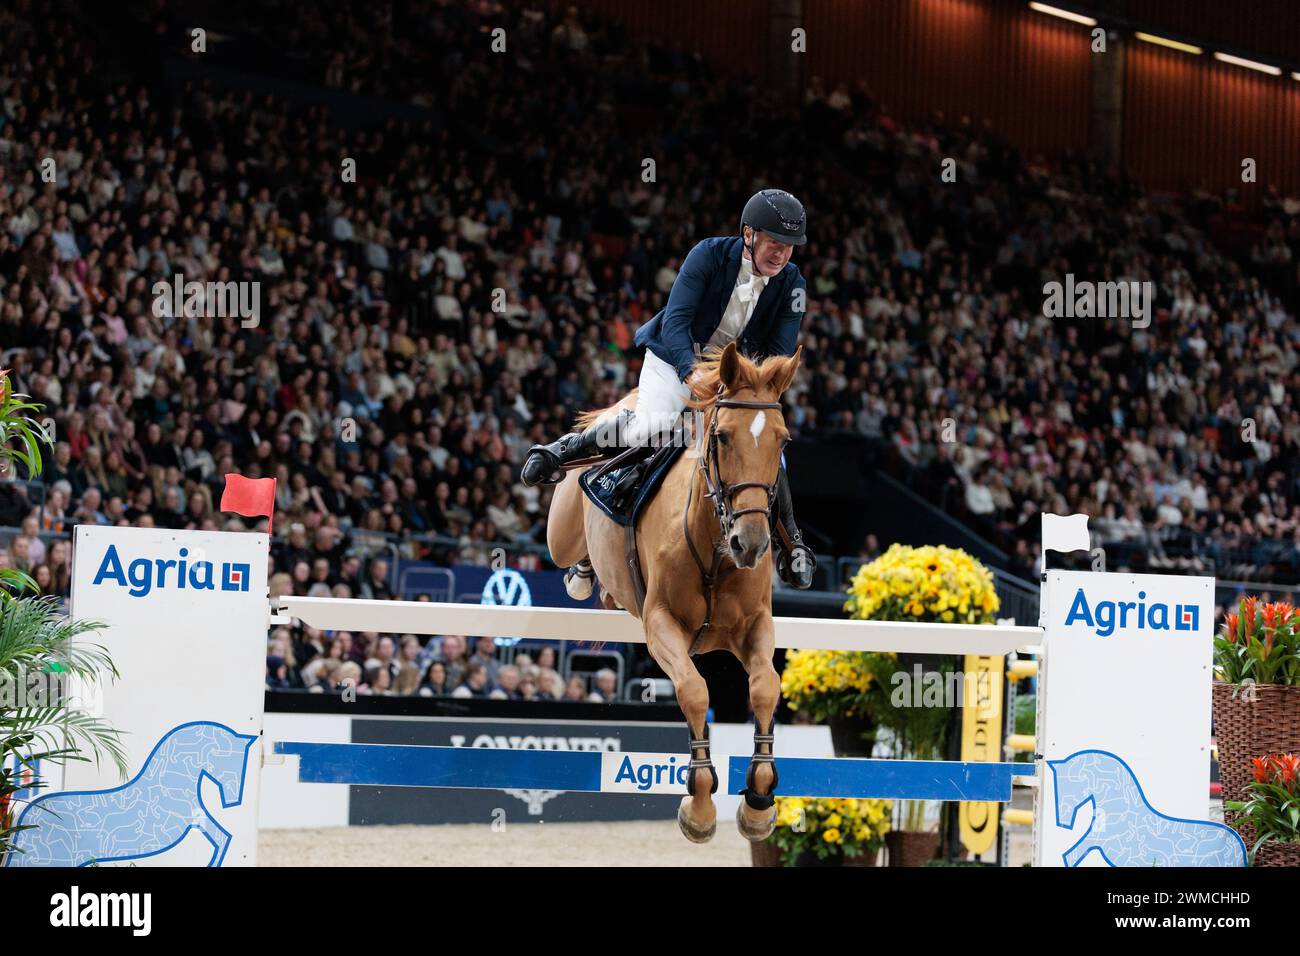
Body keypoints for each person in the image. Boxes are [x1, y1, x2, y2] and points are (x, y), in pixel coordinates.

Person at [520, 188, 816, 588]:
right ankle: (569, 449)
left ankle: (792, 543)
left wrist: (753, 393)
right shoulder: (708, 256)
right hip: (675, 357)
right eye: (774, 243)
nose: (781, 254)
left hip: (734, 376)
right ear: (749, 234)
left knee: (763, 446)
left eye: (790, 247)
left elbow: (778, 354)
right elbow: (676, 322)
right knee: (652, 427)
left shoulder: (792, 284)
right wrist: (690, 372)